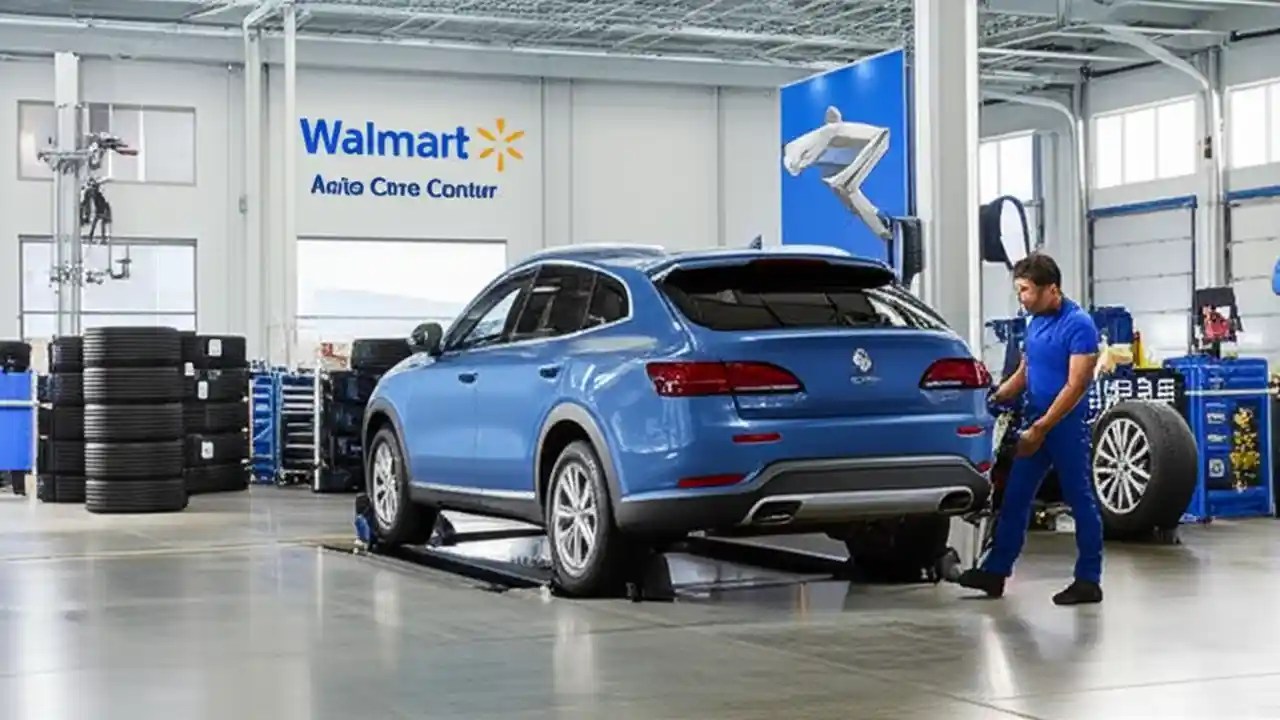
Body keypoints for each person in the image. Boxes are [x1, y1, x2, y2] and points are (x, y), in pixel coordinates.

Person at [958, 252, 1104, 606]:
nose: (1021, 297)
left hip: (1064, 428)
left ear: (1051, 289)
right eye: (1018, 290)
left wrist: (1041, 428)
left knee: (1080, 501)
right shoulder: (1034, 321)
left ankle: (1089, 579)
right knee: (1015, 499)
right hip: (1034, 422)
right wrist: (993, 398)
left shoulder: (1079, 325)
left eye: (1025, 290)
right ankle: (995, 572)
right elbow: (1026, 371)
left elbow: (1076, 385)